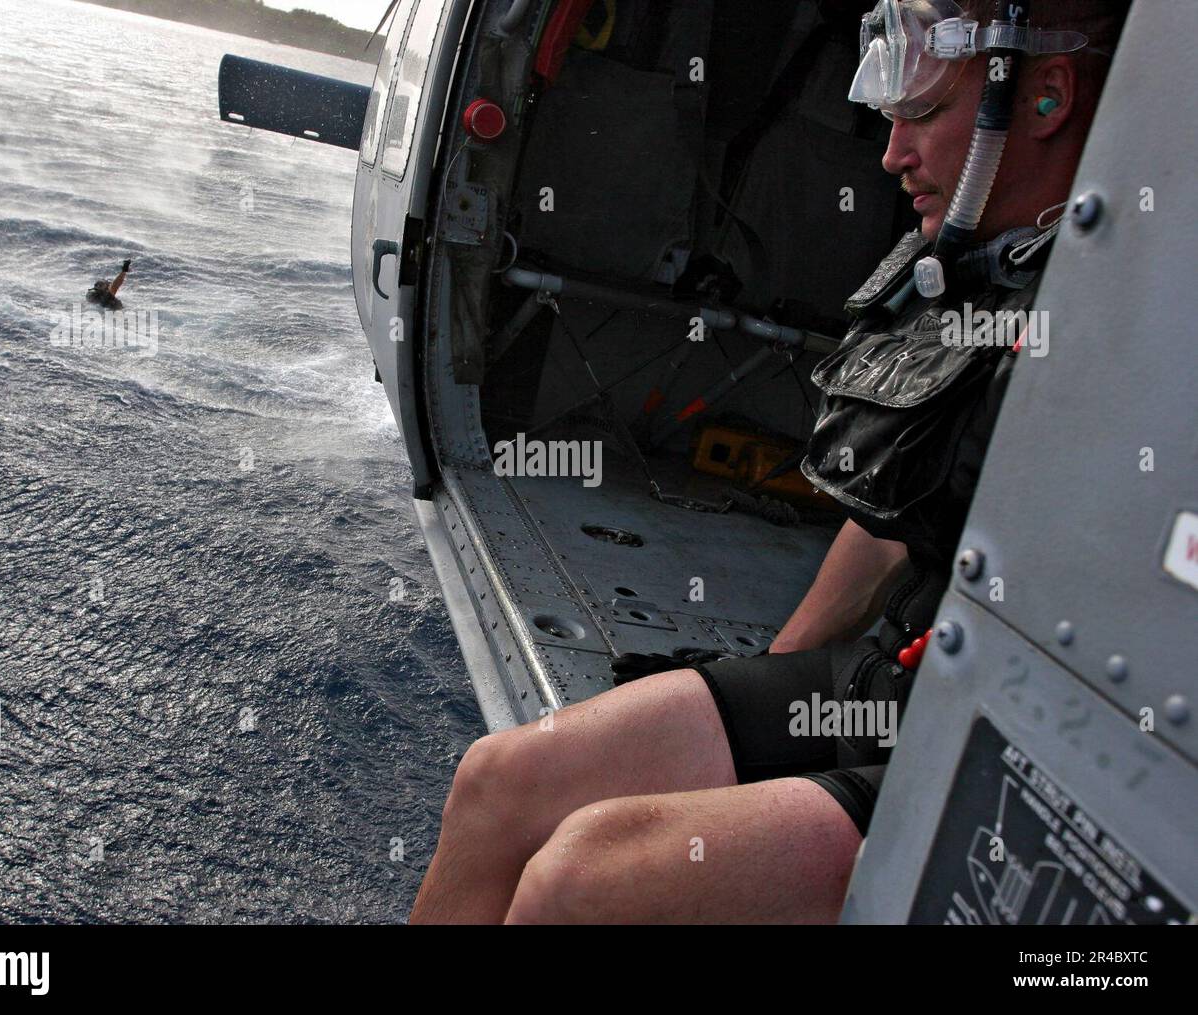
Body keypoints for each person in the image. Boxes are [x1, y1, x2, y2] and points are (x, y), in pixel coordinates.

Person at [411, 0, 1131, 924]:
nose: (890, 154)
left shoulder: (1133, 318)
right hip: (882, 679)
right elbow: (888, 521)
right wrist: (759, 693)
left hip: (993, 756)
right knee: (501, 779)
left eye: (921, 115)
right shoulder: (979, 269)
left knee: (578, 882)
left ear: (1044, 101)